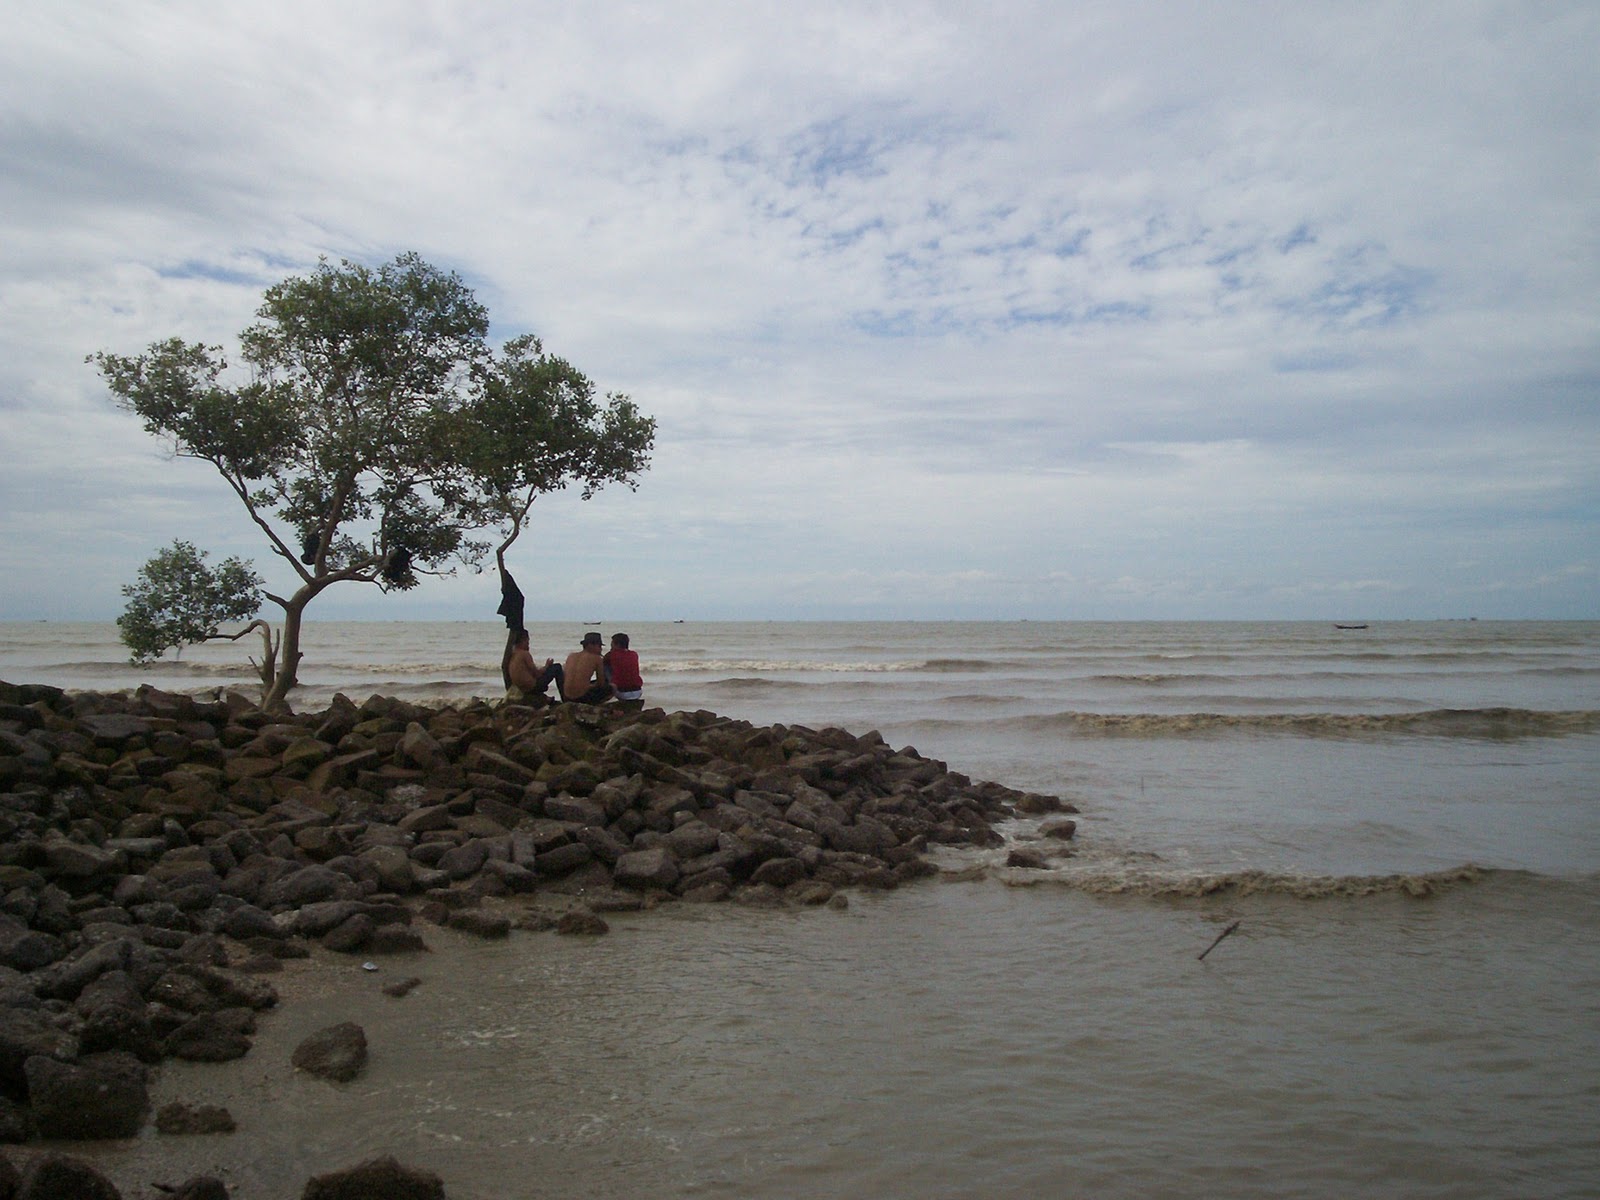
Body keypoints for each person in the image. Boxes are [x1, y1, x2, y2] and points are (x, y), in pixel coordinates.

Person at [505, 629, 562, 701]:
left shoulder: (513, 654)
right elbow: (537, 674)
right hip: (532, 688)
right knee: (557, 667)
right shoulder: (524, 654)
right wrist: (547, 666)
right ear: (522, 640)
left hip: (522, 688)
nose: (528, 643)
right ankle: (564, 696)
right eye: (527, 641)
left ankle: (544, 698)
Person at [561, 632, 613, 704]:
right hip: (582, 698)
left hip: (566, 697)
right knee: (612, 687)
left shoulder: (571, 656)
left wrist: (589, 686)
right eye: (599, 646)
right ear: (590, 645)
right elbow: (601, 683)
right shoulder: (597, 658)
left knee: (590, 684)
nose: (600, 649)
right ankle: (596, 705)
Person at [604, 632, 643, 703]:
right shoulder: (634, 654)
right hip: (638, 691)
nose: (611, 645)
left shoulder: (611, 655)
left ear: (617, 644)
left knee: (605, 666)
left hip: (621, 692)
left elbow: (603, 662)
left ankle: (604, 689)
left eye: (612, 643)